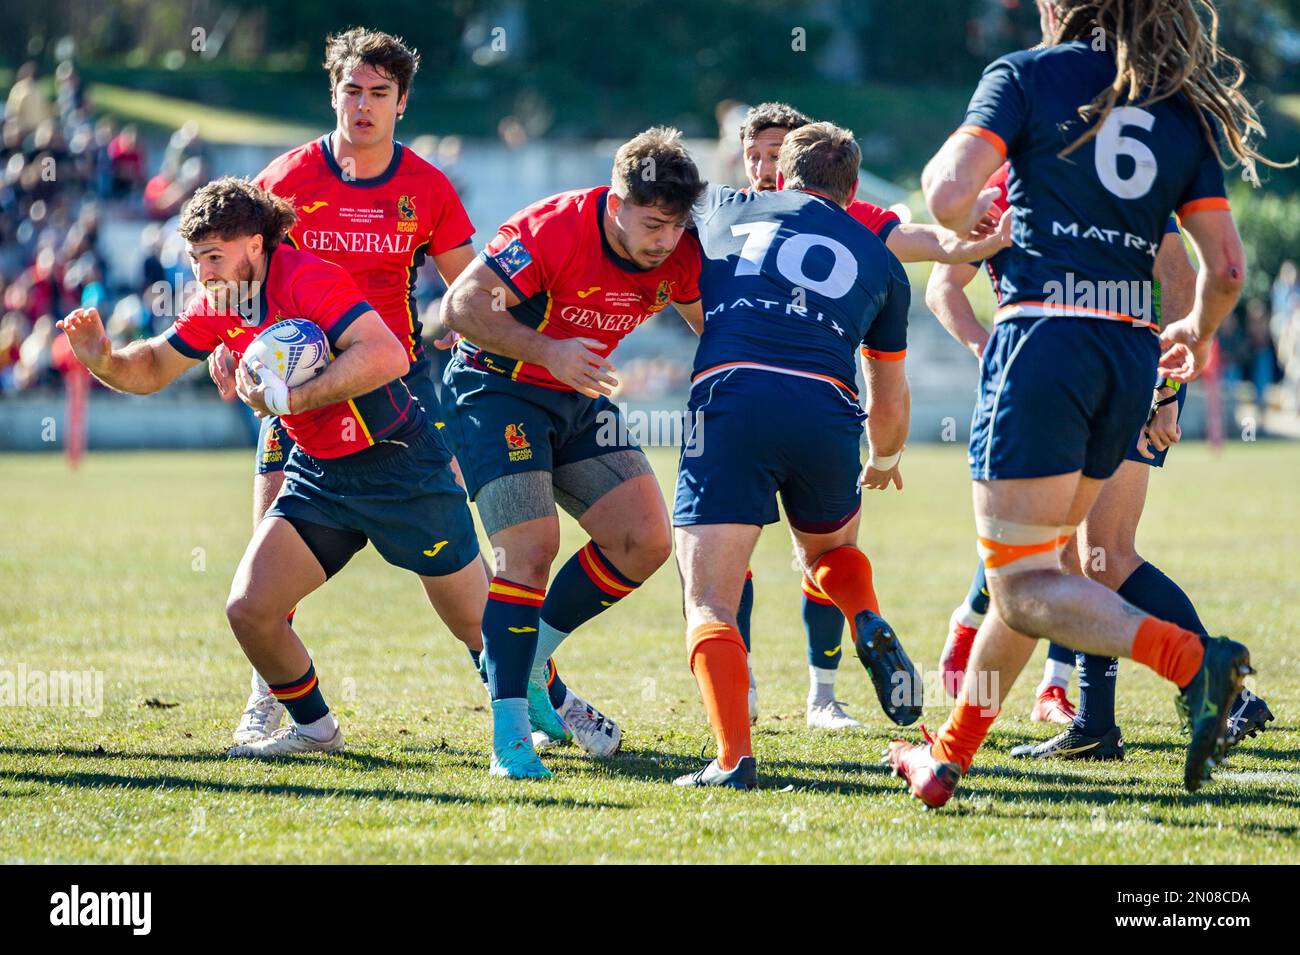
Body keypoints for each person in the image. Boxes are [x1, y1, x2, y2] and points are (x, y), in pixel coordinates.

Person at [888, 0, 1284, 807]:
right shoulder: (1179, 104)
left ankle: (1193, 664)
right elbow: (1229, 268)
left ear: (1056, 8)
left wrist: (964, 228)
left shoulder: (1027, 74)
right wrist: (1198, 336)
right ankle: (947, 759)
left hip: (1045, 342)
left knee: (1026, 583)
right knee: (1043, 570)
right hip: (1128, 351)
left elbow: (947, 189)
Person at [57, 177, 487, 757]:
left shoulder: (308, 277)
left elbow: (387, 354)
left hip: (400, 466)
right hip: (322, 478)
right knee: (251, 609)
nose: (204, 273)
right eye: (196, 259)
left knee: (477, 626)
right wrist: (104, 360)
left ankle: (547, 700)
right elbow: (154, 364)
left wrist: (294, 400)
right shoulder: (221, 303)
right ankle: (315, 728)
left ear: (256, 246)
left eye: (215, 257)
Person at [928, 162, 1273, 759]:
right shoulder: (1008, 184)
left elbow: (1178, 281)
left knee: (1103, 554)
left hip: (1127, 377)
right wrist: (990, 351)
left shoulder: (1125, 178)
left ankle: (1224, 693)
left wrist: (1164, 392)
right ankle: (1095, 724)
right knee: (1067, 561)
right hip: (1051, 387)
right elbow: (943, 286)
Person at [730, 101, 1012, 730]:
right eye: (754, 155)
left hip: (748, 407)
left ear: (799, 161)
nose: (764, 167)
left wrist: (960, 238)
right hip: (820, 411)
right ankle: (746, 679)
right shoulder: (734, 214)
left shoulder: (836, 218)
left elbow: (915, 238)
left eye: (776, 155)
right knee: (778, 554)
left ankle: (820, 695)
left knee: (776, 552)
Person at [438, 127, 706, 778]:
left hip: (576, 396)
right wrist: (551, 350)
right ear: (615, 203)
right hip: (495, 389)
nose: (664, 241)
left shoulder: (680, 251)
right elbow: (461, 305)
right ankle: (508, 736)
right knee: (529, 550)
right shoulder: (553, 228)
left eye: (675, 226)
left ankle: (530, 664)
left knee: (645, 538)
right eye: (651, 224)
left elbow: (715, 330)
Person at [673, 122, 918, 789]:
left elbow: (658, 227)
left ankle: (734, 759)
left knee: (710, 600)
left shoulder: (725, 206)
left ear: (782, 173)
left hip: (732, 396)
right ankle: (864, 616)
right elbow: (890, 398)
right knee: (828, 556)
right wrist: (885, 457)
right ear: (854, 187)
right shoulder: (881, 261)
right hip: (826, 407)